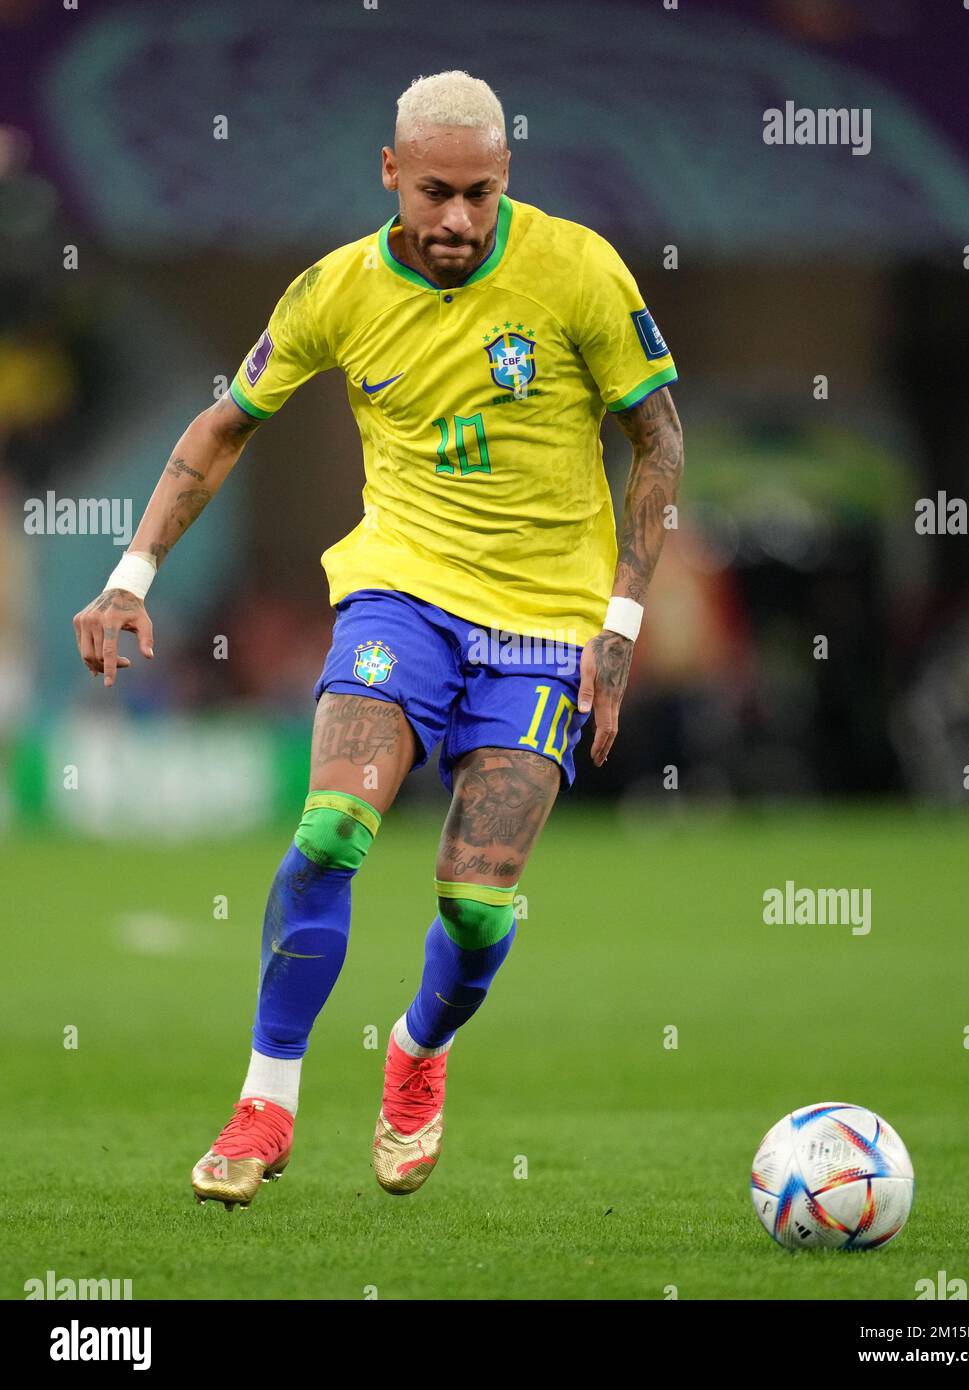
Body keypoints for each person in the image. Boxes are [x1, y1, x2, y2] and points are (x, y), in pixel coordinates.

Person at [72, 70, 683, 1205]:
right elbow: (219, 431)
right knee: (330, 828)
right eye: (436, 192)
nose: (457, 221)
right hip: (398, 596)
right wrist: (129, 574)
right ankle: (265, 1100)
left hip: (546, 621)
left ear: (510, 181)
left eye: (482, 196)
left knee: (474, 904)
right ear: (390, 173)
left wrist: (618, 623)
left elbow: (658, 440)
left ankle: (416, 1050)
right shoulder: (333, 290)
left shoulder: (577, 268)